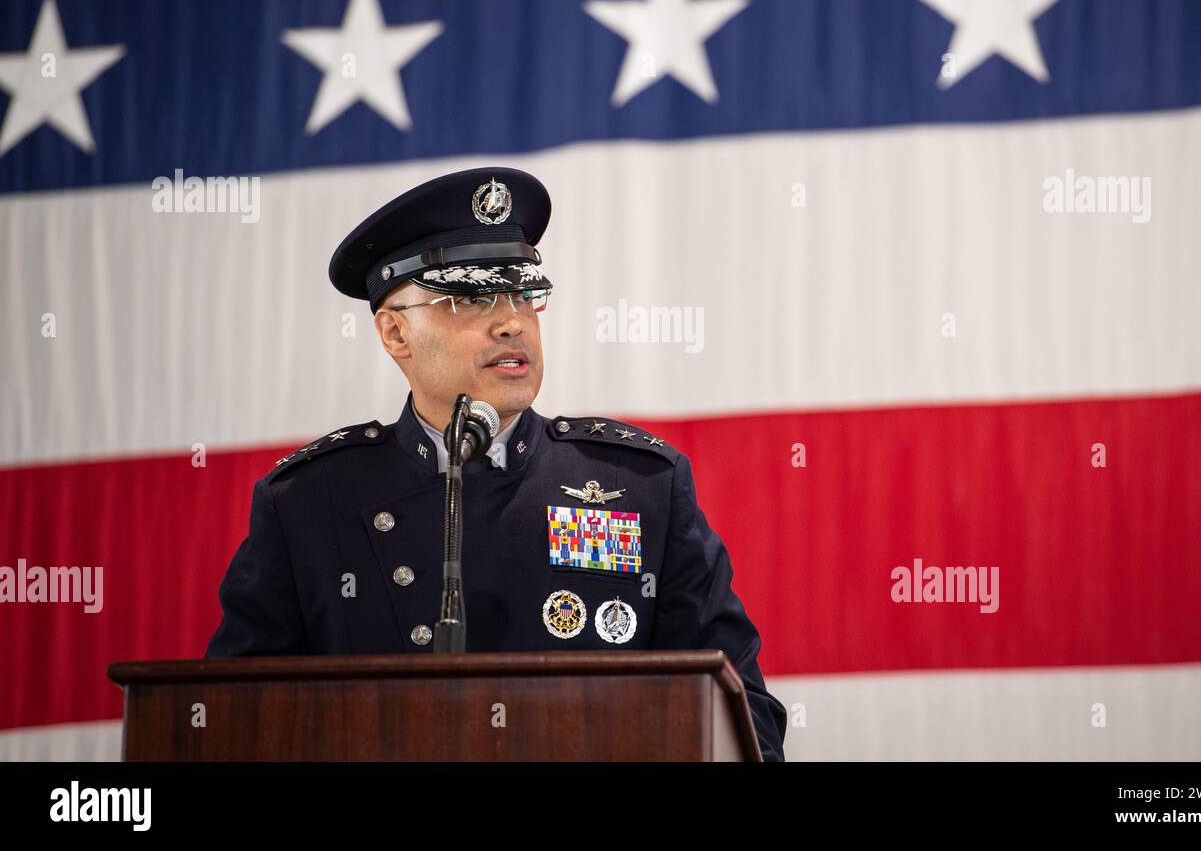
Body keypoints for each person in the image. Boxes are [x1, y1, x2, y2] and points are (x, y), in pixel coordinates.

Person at [205, 167, 787, 761]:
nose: (512, 320)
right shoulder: (311, 502)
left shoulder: (638, 486)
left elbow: (744, 714)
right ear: (394, 332)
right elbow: (227, 723)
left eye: (523, 293)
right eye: (471, 297)